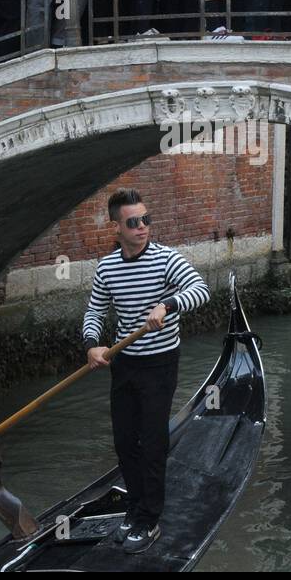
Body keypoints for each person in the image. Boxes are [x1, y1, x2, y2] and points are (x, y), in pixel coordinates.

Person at [82, 189, 210, 554]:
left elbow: (201, 289)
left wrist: (168, 304)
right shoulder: (107, 267)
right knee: (125, 441)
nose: (142, 228)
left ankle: (149, 519)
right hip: (124, 364)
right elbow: (94, 313)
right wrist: (92, 344)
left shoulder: (167, 260)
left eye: (146, 220)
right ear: (117, 227)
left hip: (159, 363)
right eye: (133, 222)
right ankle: (135, 507)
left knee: (152, 441)